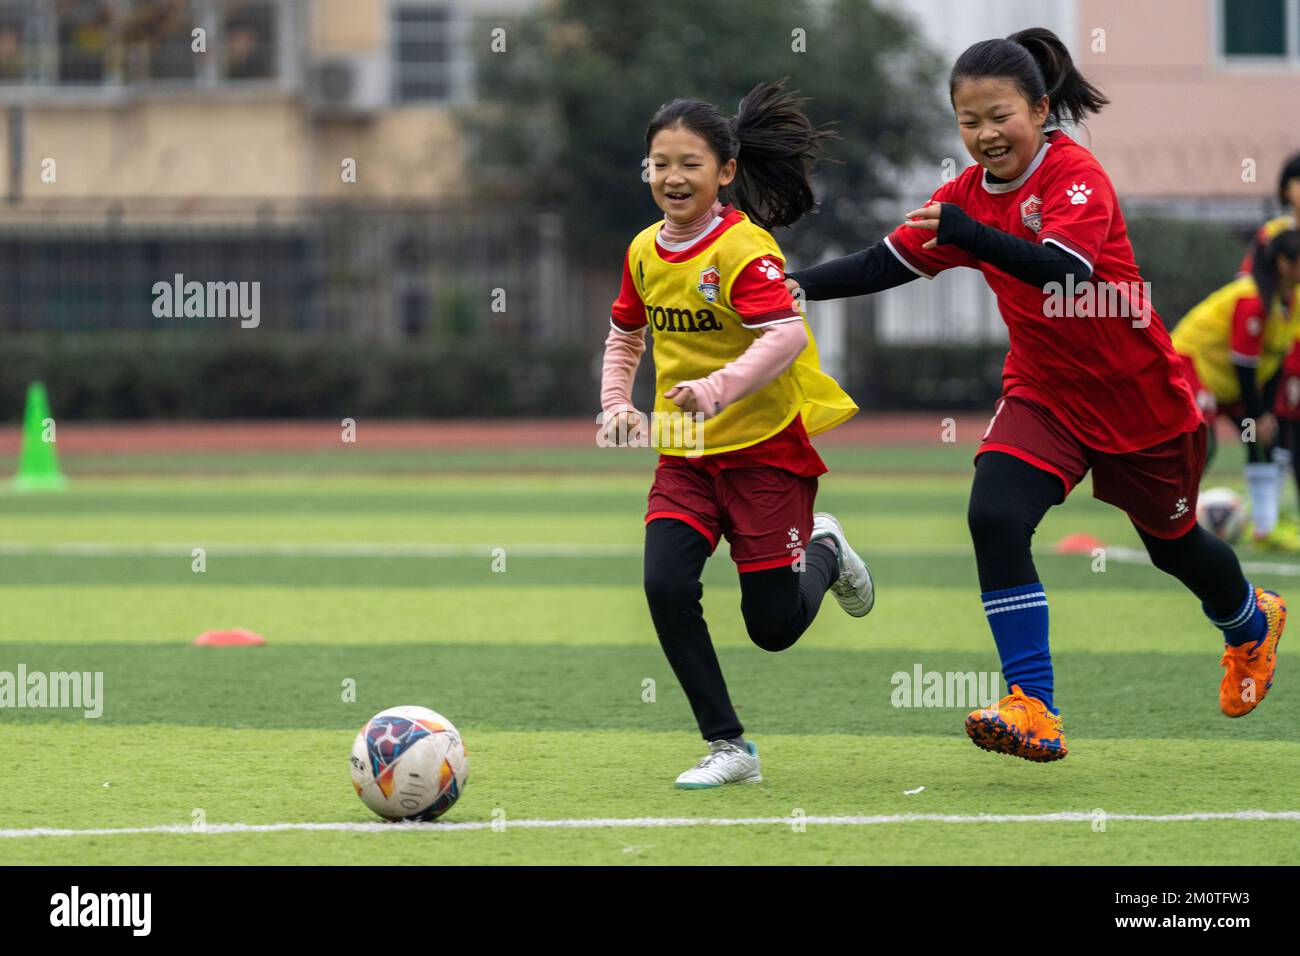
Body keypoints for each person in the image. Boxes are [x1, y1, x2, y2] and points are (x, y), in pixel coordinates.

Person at [786, 29, 1285, 762]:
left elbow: (1065, 273)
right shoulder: (962, 200)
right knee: (993, 513)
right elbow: (884, 261)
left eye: (1000, 116)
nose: (985, 134)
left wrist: (969, 235)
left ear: (1041, 108)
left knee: (1173, 548)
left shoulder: (1074, 175)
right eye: (969, 120)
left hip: (1138, 397)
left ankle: (1249, 622)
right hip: (1045, 394)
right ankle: (1034, 706)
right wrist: (799, 285)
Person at [598, 80, 871, 788]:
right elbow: (625, 334)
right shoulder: (643, 252)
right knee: (664, 583)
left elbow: (784, 336)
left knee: (773, 628)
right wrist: (615, 404)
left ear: (724, 172)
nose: (671, 177)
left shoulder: (744, 251)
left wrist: (715, 391)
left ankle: (826, 546)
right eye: (659, 163)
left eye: (689, 163)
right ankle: (729, 746)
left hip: (764, 457)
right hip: (685, 458)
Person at [1172, 229, 1300, 550]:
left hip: (1231, 381)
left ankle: (1265, 527)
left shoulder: (1292, 301)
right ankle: (1174, 523)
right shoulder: (1251, 298)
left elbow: (1275, 361)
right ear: (1284, 263)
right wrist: (1257, 413)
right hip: (1193, 365)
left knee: (1261, 438)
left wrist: (1265, 414)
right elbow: (1244, 361)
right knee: (1203, 442)